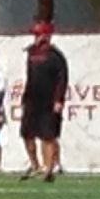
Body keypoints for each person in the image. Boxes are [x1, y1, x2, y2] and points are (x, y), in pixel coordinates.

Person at [19, 22, 67, 182]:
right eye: (35, 35)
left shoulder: (55, 56)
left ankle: (49, 168)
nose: (36, 38)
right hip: (32, 100)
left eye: (39, 34)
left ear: (47, 36)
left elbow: (62, 79)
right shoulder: (31, 53)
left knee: (48, 136)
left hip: (48, 101)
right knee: (27, 134)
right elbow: (29, 77)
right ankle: (35, 165)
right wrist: (25, 97)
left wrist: (59, 100)